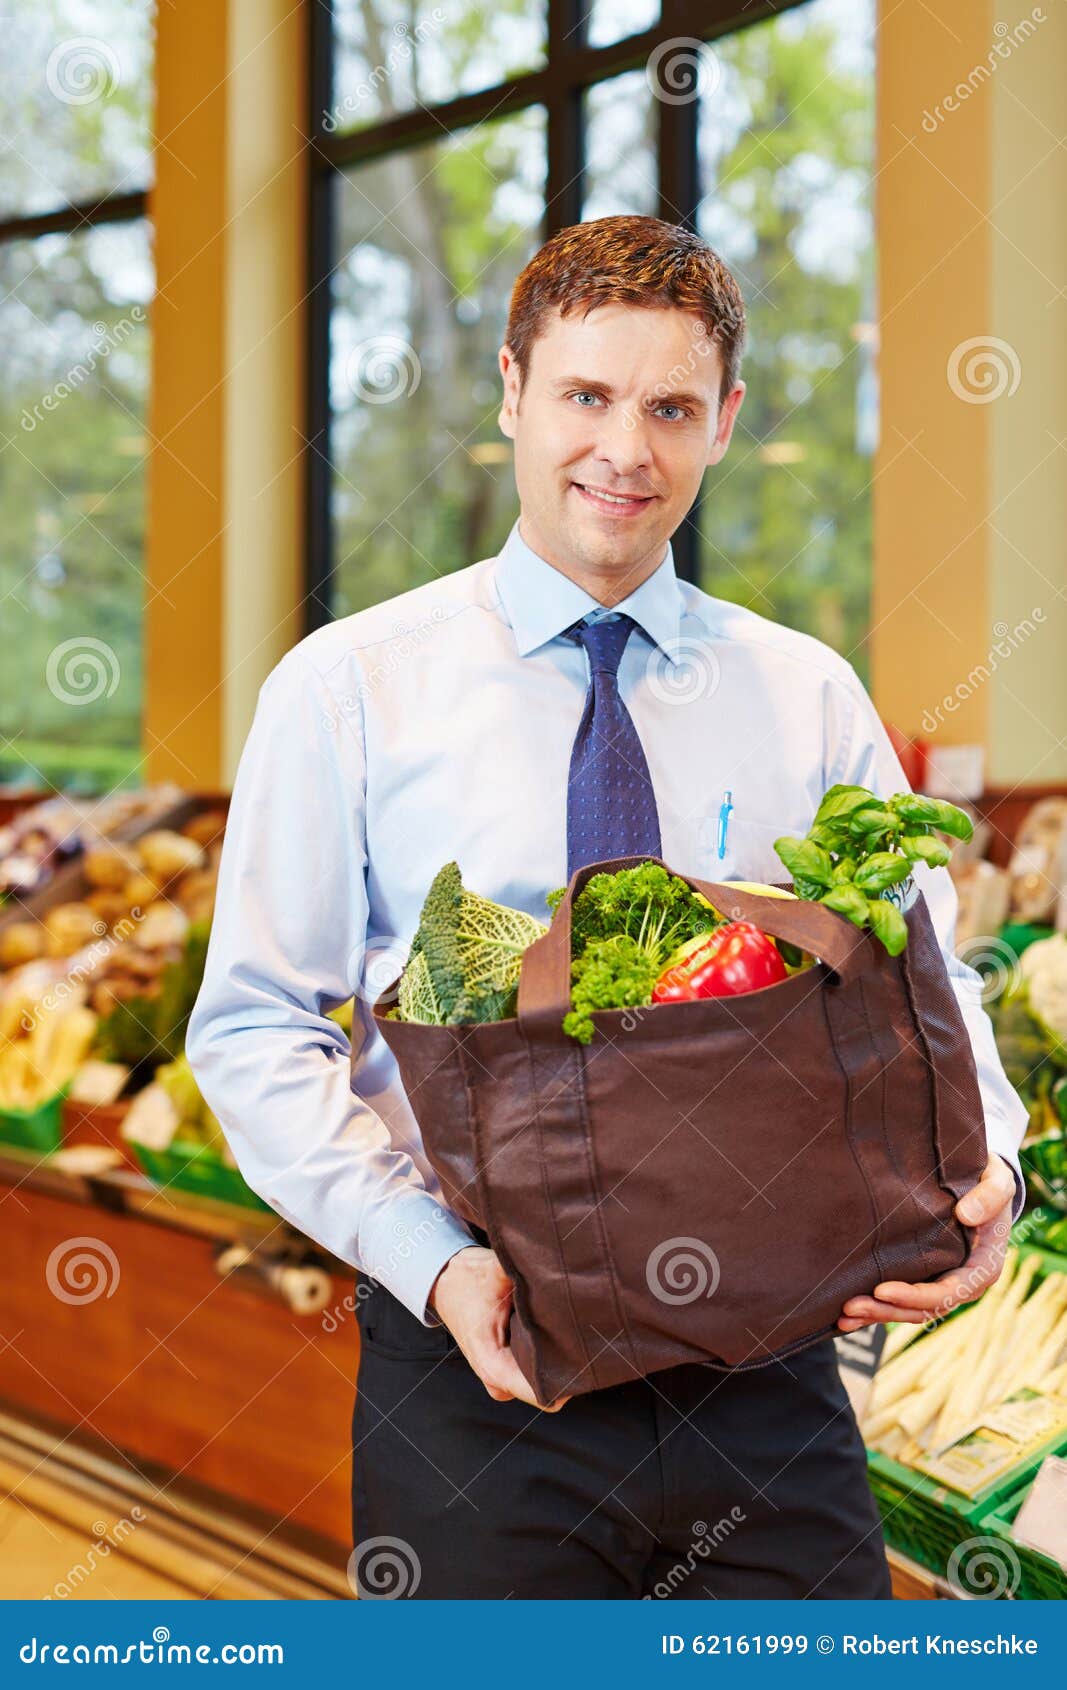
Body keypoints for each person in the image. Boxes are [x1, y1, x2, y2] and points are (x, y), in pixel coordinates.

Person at [187, 214, 1026, 1600]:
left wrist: (983, 1170)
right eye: (585, 395)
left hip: (770, 1373)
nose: (624, 451)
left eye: (671, 408)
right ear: (512, 391)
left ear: (725, 420)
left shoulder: (804, 693)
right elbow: (258, 1030)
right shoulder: (350, 691)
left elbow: (921, 969)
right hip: (480, 1370)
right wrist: (430, 1260)